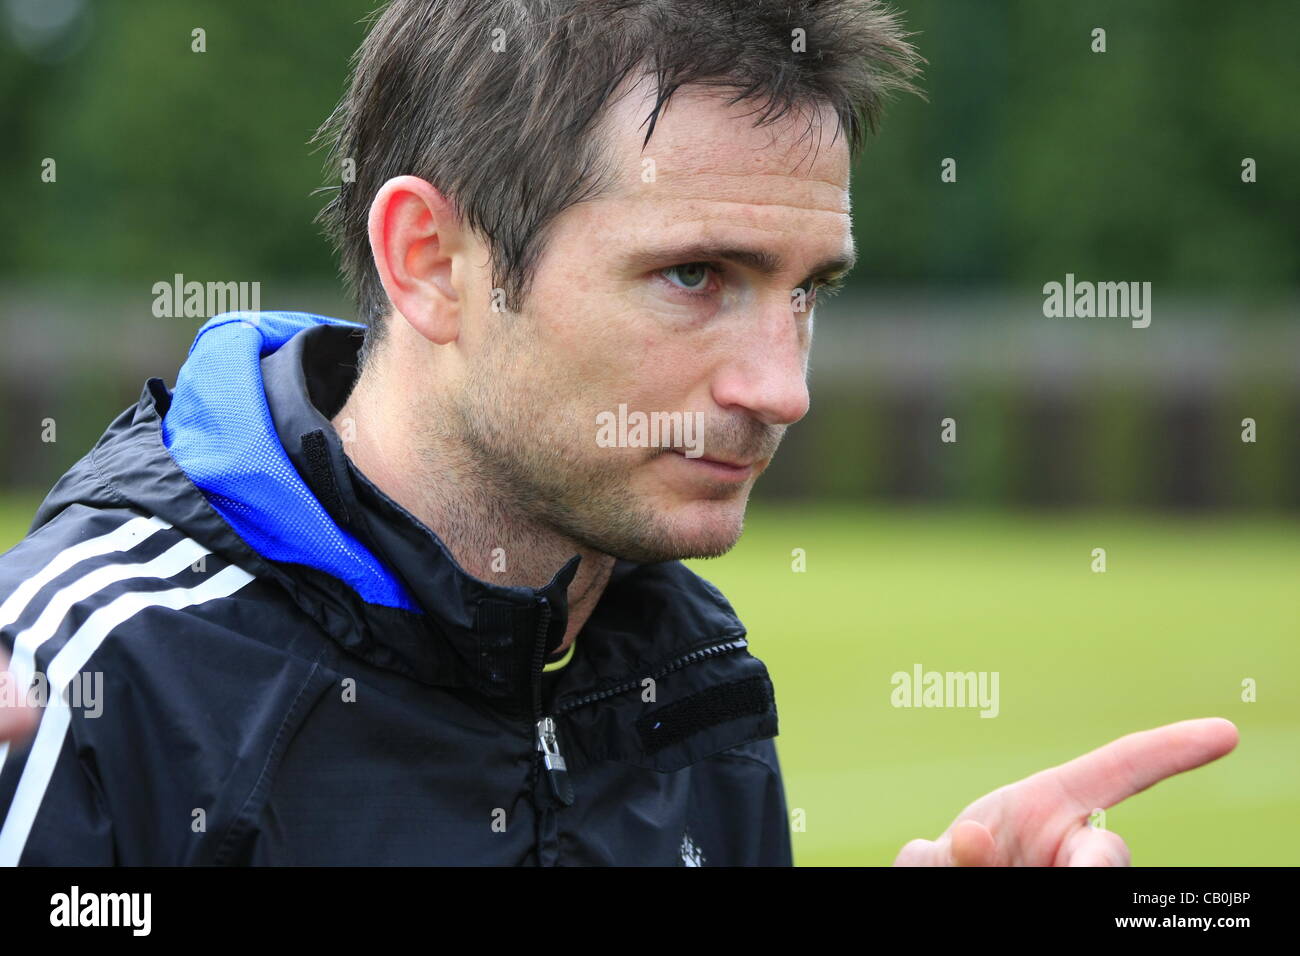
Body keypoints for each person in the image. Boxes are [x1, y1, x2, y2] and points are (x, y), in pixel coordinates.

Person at [0, 0, 1236, 866]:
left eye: (810, 289)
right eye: (696, 274)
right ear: (430, 262)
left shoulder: (686, 670)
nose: (781, 387)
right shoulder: (83, 685)